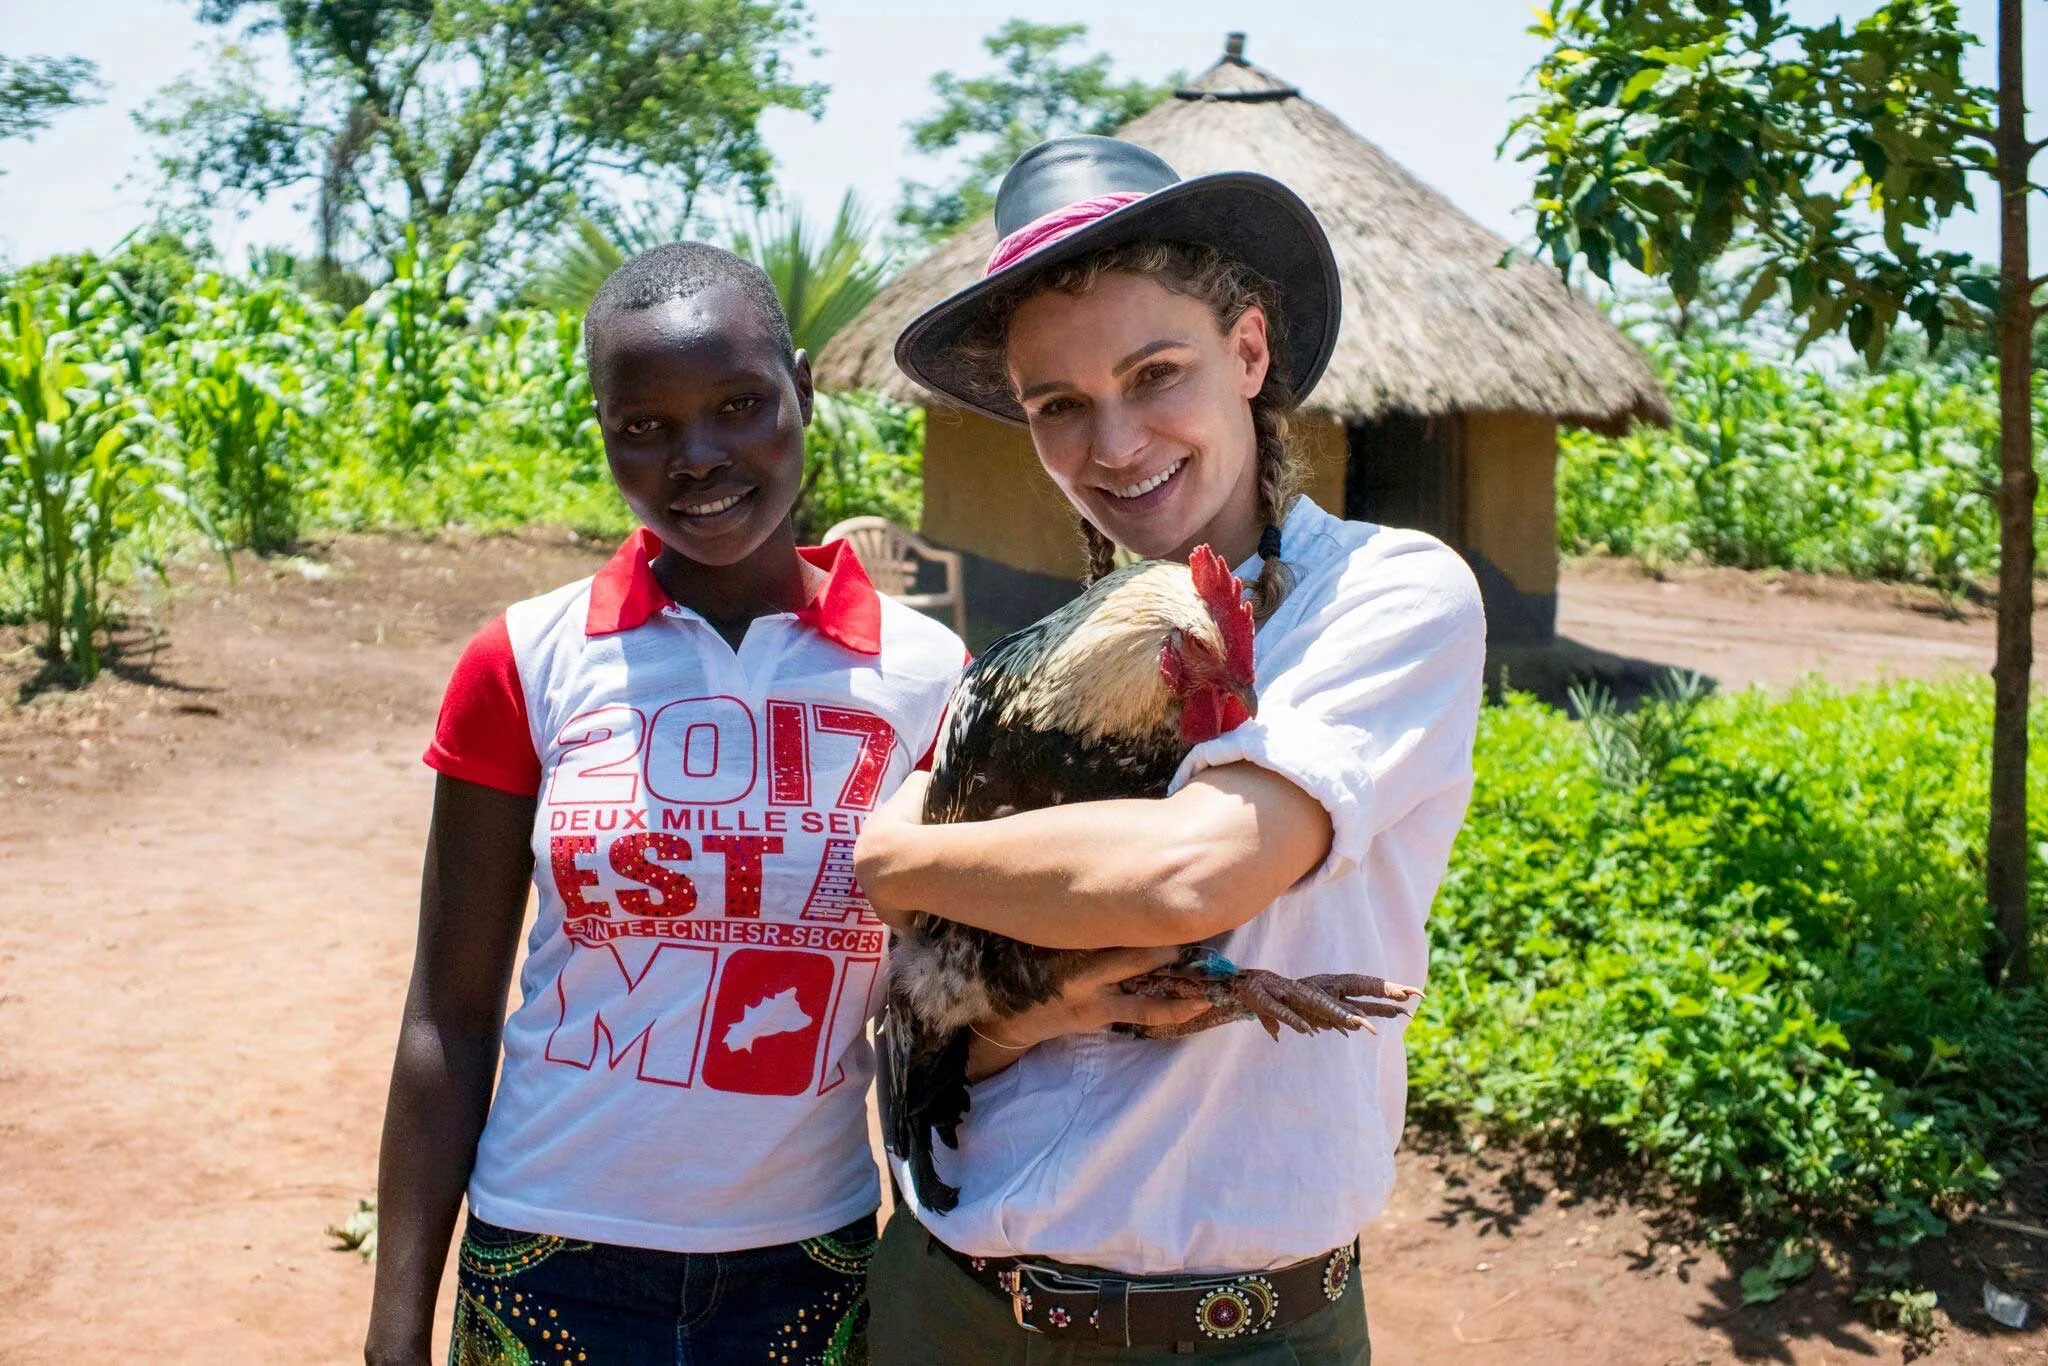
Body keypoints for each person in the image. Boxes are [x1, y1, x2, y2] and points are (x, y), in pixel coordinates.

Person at [852, 136, 1488, 1363]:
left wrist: (896, 855)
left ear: (1246, 353)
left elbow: (1191, 874)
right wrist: (1039, 1008)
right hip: (951, 1304)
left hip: (1236, 1332)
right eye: (1058, 405)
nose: (1114, 442)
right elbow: (932, 1017)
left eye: (1155, 373)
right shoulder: (1010, 683)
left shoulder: (1386, 596)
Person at [361, 242, 973, 1366]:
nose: (697, 458)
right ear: (602, 431)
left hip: (810, 1261)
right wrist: (393, 1332)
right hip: (548, 1254)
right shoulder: (527, 659)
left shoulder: (929, 678)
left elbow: (940, 1001)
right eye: (643, 426)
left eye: (739, 405)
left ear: (801, 388)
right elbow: (447, 1013)